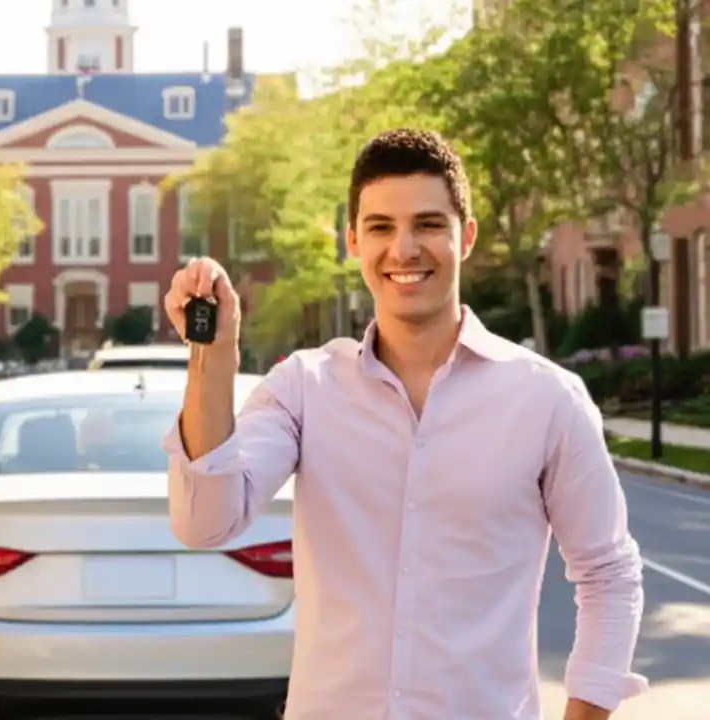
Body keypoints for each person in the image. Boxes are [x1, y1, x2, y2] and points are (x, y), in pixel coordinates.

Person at [162, 129, 646, 720]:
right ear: (353, 242)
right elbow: (203, 522)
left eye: (428, 224)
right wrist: (214, 350)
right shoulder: (304, 390)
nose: (405, 249)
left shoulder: (547, 398)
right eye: (382, 228)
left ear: (465, 236)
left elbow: (609, 574)